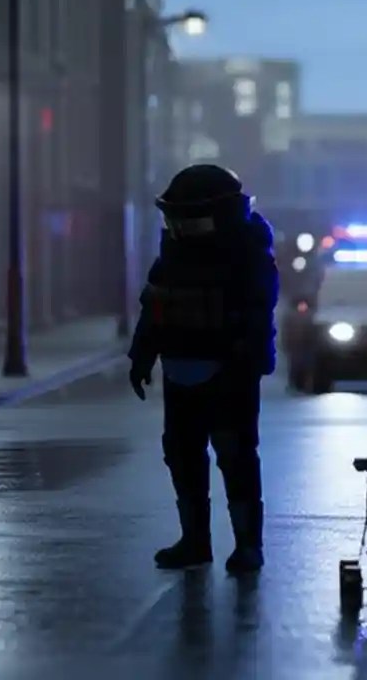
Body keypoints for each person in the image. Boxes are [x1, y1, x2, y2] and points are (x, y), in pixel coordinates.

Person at [127, 164, 279, 574]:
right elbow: (154, 308)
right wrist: (141, 355)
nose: (183, 226)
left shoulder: (249, 257)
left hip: (228, 372)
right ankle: (195, 540)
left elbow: (257, 314)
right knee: (182, 455)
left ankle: (248, 544)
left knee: (235, 455)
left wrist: (245, 354)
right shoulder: (172, 257)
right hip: (181, 370)